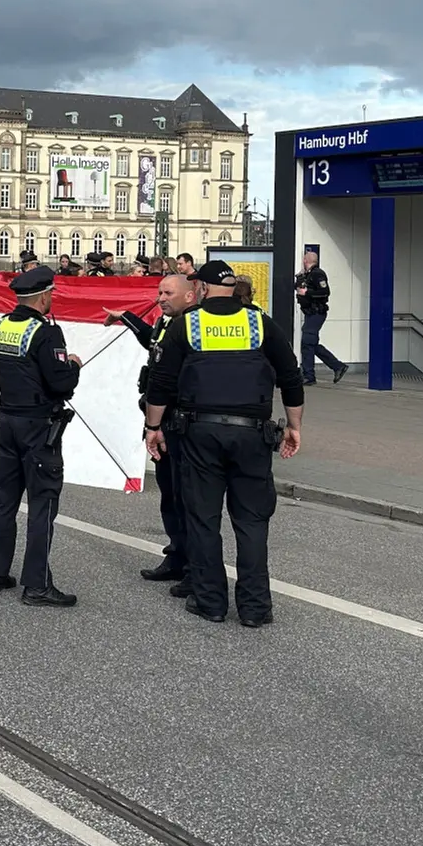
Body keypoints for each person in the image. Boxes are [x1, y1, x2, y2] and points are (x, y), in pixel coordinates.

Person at [143, 260, 305, 627]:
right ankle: (255, 608)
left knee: (203, 518)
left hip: (200, 434)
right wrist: (294, 426)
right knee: (252, 521)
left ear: (201, 289)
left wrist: (153, 427)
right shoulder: (260, 323)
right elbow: (290, 375)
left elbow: (161, 381)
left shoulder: (188, 324)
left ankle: (210, 601)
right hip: (253, 434)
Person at [0, 265, 84, 607]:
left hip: (7, 422)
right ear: (44, 297)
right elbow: (61, 384)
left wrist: (14, 374)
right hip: (39, 427)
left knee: (5, 498)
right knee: (42, 503)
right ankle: (37, 585)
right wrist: (73, 365)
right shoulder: (46, 333)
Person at [107, 274, 198, 584]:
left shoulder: (193, 327)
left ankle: (194, 567)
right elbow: (153, 343)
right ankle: (176, 556)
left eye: (168, 293)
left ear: (189, 296)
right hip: (163, 423)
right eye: (160, 292)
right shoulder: (165, 323)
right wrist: (127, 318)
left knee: (186, 497)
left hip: (182, 423)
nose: (161, 298)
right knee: (169, 493)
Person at [294, 250, 347, 385]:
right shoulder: (307, 275)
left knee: (307, 342)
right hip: (310, 313)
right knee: (311, 344)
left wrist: (307, 292)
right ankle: (337, 366)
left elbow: (325, 291)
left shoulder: (318, 274)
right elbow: (299, 288)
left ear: (306, 260)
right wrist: (299, 280)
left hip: (316, 312)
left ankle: (309, 376)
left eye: (304, 259)